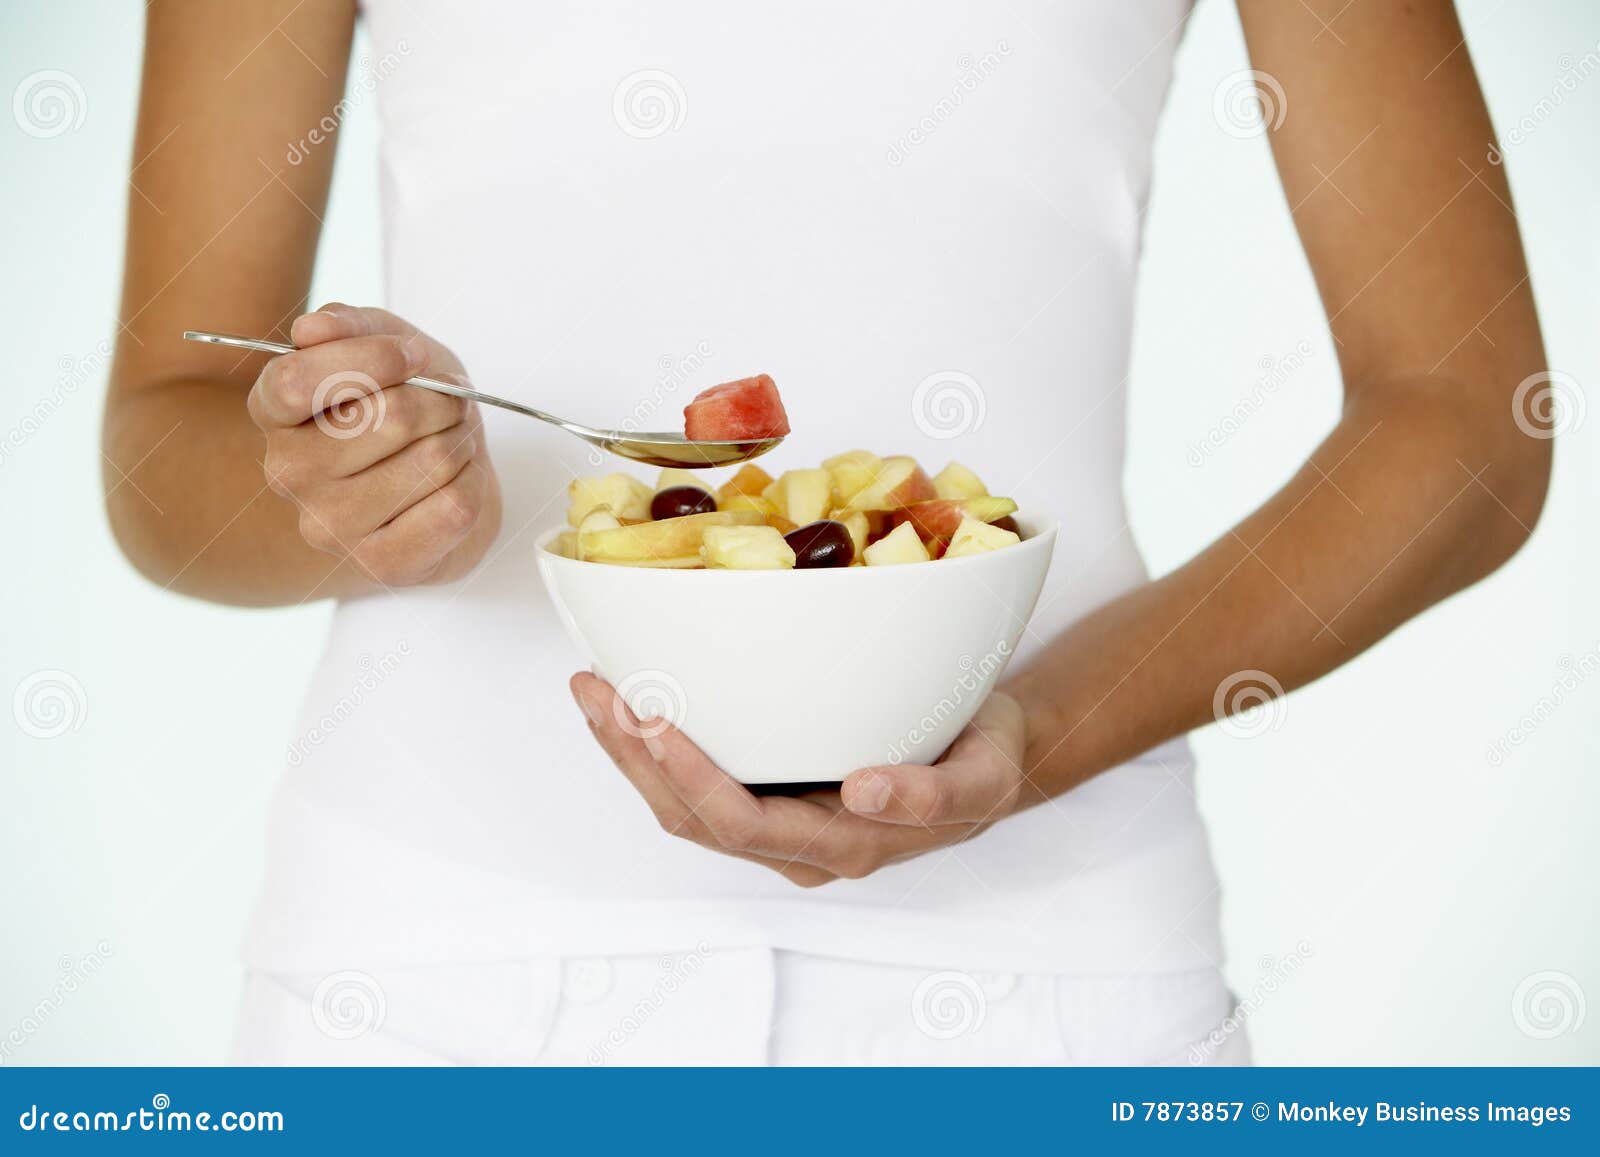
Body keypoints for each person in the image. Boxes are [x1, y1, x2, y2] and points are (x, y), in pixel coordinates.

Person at [105, 0, 1549, 1065]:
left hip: (1045, 991)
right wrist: (347, 498)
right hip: (423, 986)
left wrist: (1038, 732)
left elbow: (1471, 422)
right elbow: (161, 444)